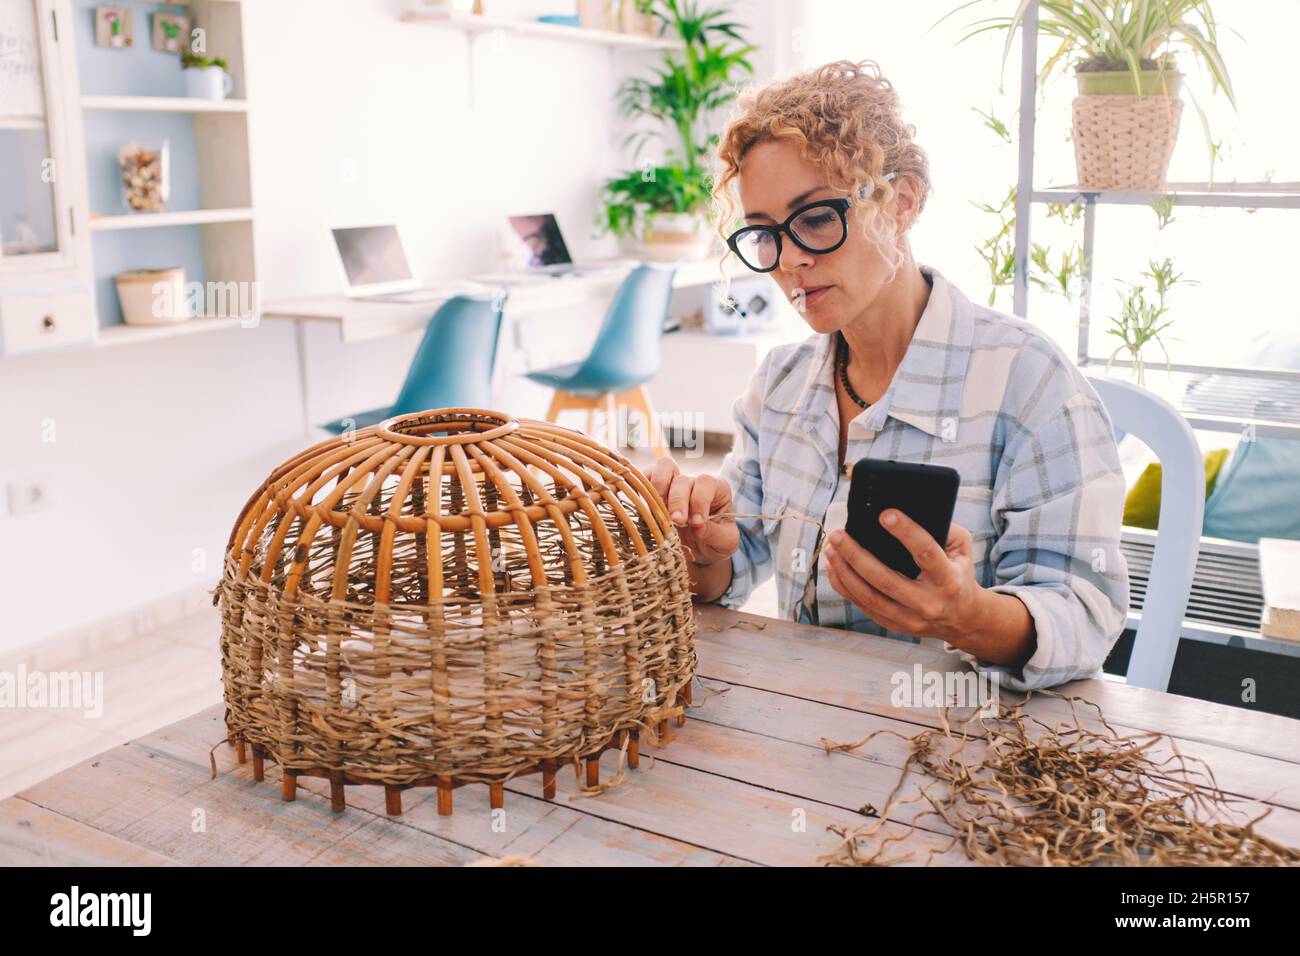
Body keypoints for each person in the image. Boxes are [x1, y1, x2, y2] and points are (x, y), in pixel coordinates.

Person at [647, 60, 1130, 691]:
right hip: (816, 732)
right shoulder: (780, 386)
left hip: (966, 746)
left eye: (817, 218)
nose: (788, 260)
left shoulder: (1027, 381)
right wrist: (702, 549)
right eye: (763, 234)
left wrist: (971, 618)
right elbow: (735, 565)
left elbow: (1085, 613)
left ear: (901, 203)